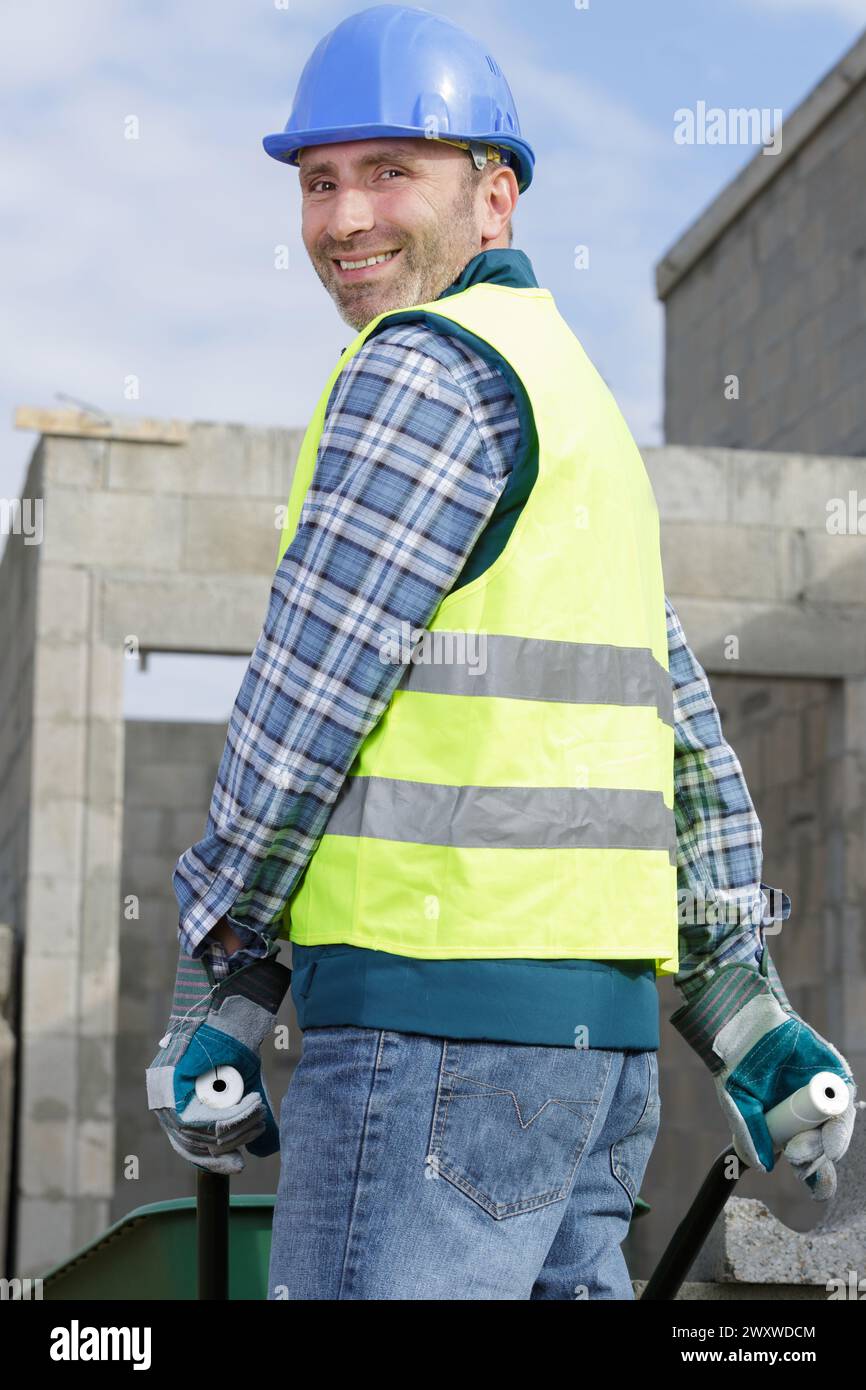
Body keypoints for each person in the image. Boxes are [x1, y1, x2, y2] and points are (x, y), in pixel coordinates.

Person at [146, 5, 857, 1300]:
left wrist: (225, 975)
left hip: (429, 1042)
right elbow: (679, 740)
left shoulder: (417, 371)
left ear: (495, 196)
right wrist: (738, 1009)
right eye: (318, 181)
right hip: (590, 1067)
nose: (344, 218)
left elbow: (305, 702)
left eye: (388, 173)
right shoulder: (569, 399)